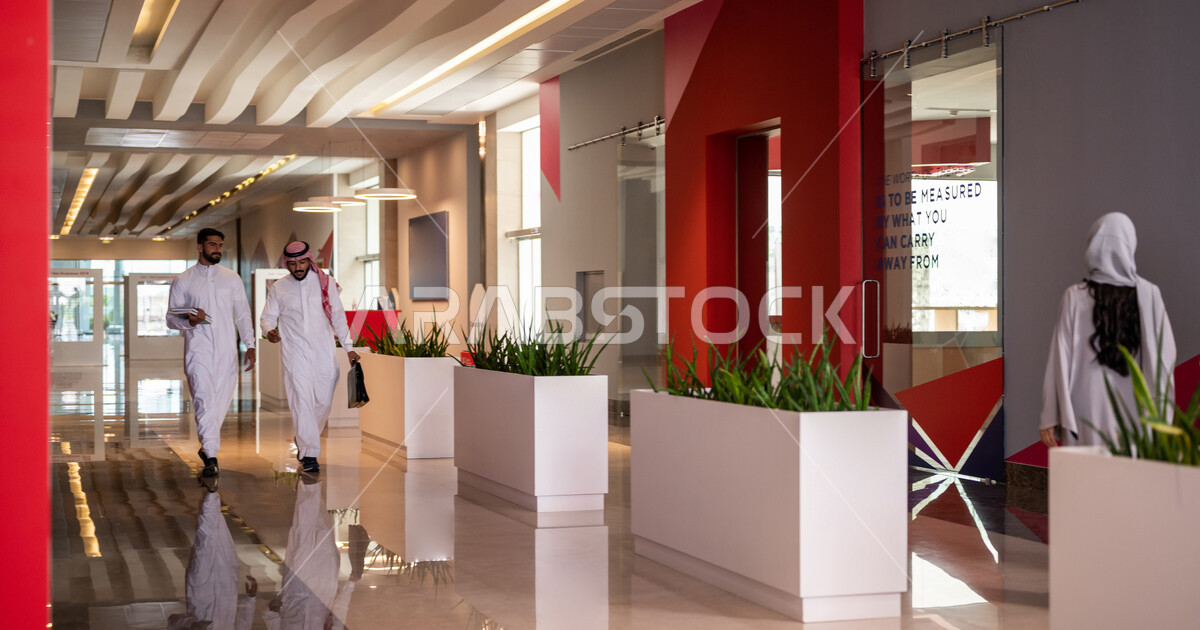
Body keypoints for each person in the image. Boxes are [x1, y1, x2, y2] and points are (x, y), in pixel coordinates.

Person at [1040, 212, 1176, 448]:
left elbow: (1059, 359)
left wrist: (1051, 414)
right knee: (1131, 477)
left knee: (1087, 478)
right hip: (1137, 404)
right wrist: (1163, 414)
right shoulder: (1149, 294)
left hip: (1086, 405)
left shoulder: (1074, 296)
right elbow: (1165, 357)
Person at [260, 241, 359, 474]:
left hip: (323, 352)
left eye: (302, 262)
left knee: (323, 402)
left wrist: (349, 348)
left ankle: (305, 436)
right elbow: (267, 317)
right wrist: (268, 331)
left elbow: (338, 317)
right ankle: (310, 454)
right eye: (292, 264)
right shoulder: (279, 287)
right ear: (287, 264)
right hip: (295, 354)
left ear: (309, 260)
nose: (298, 268)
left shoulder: (326, 284)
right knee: (302, 401)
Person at [168, 227, 256, 477]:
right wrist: (190, 322)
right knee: (204, 399)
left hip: (227, 351)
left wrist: (249, 344)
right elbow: (171, 318)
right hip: (198, 349)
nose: (217, 249)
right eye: (212, 245)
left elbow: (243, 313)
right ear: (199, 247)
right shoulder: (183, 280)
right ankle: (212, 456)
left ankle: (207, 447)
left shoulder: (232, 278)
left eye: (219, 246)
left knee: (219, 402)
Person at [167, 488, 258, 630]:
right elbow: (244, 626)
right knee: (223, 539)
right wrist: (250, 599)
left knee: (205, 543)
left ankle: (210, 493)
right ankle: (211, 492)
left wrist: (191, 624)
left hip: (201, 594)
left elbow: (173, 621)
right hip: (226, 589)